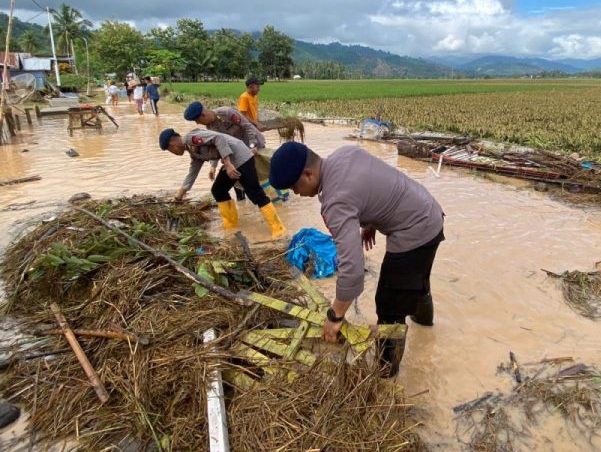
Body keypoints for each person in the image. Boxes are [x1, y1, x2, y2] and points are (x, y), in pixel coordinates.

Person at [269, 142, 445, 377]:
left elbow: (352, 268)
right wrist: (372, 222)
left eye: (294, 186)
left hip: (413, 231)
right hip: (429, 211)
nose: (296, 193)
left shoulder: (334, 202)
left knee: (389, 306)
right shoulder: (344, 153)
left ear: (309, 174)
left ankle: (386, 375)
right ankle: (426, 328)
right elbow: (377, 185)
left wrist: (335, 316)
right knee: (417, 280)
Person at [158, 128, 286, 238]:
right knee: (218, 190)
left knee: (255, 193)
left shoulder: (191, 139)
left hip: (241, 157)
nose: (173, 153)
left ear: (172, 143)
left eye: (170, 150)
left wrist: (228, 164)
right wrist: (178, 197)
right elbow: (193, 173)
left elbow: (218, 138)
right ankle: (231, 225)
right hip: (231, 162)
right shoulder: (193, 151)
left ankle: (279, 229)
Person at [184, 100, 267, 201]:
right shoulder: (210, 127)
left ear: (203, 115)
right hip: (237, 154)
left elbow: (248, 126)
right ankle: (243, 205)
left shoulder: (227, 113)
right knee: (235, 179)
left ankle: (277, 200)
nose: (197, 123)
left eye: (197, 120)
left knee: (263, 176)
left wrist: (252, 145)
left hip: (254, 145)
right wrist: (213, 167)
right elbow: (217, 146)